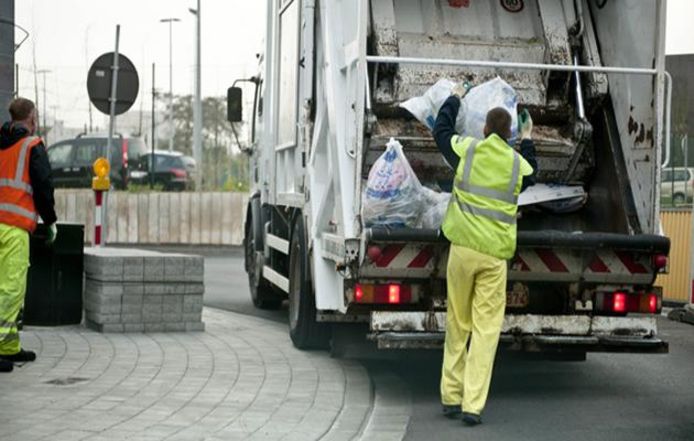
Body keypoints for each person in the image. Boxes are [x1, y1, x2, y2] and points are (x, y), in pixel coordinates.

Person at [433, 83, 537, 425]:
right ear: (508, 135)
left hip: (462, 250)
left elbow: (441, 131)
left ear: (484, 129)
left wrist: (455, 97)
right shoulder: (516, 164)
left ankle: (450, 395)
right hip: (494, 258)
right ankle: (472, 406)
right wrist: (528, 136)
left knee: (457, 323)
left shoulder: (468, 150)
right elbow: (533, 171)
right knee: (486, 330)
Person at [0, 97, 57, 373]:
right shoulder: (32, 146)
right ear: (32, 118)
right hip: (13, 228)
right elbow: (43, 186)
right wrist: (51, 221)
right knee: (11, 290)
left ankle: (8, 347)